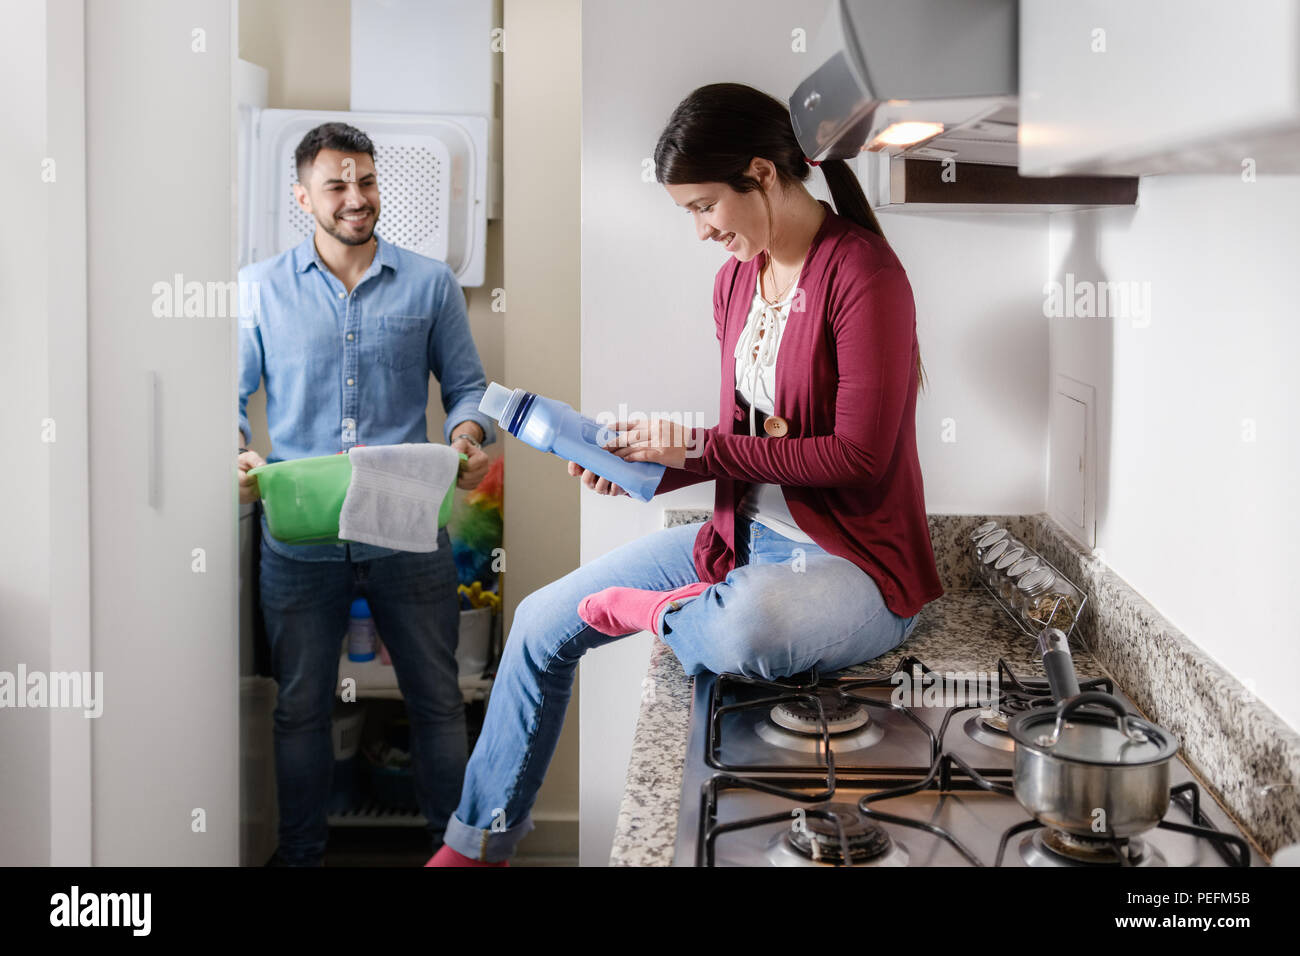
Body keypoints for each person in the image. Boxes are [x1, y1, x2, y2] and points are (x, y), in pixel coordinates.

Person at [426, 83, 943, 867]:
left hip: (856, 566)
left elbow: (855, 456)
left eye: (706, 206)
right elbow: (742, 446)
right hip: (739, 540)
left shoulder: (863, 274)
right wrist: (642, 467)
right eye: (688, 214)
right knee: (536, 623)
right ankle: (472, 849)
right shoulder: (737, 282)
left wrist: (693, 449)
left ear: (764, 175)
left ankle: (661, 613)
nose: (701, 231)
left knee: (748, 627)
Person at [236, 122, 497, 866]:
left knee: (439, 701)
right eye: (337, 185)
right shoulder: (259, 288)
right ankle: (300, 857)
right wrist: (236, 451)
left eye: (367, 182)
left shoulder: (430, 283)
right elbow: (227, 393)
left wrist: (469, 437)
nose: (357, 198)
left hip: (407, 526)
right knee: (300, 708)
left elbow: (469, 387)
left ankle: (455, 855)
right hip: (299, 533)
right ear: (302, 197)